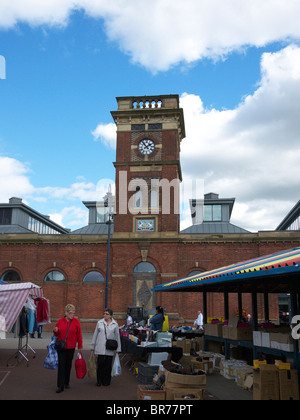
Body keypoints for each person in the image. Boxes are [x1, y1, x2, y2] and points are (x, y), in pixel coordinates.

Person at [53, 304, 83, 393]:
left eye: (73, 313)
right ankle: (60, 385)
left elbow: (79, 334)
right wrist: (55, 331)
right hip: (61, 347)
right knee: (61, 365)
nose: (72, 315)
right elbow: (56, 334)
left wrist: (80, 346)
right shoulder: (59, 321)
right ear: (65, 313)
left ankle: (66, 382)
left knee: (68, 365)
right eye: (70, 313)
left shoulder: (76, 321)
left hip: (71, 347)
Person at [90, 308, 121, 386]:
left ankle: (106, 381)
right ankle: (99, 381)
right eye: (104, 313)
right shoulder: (99, 323)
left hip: (110, 347)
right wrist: (92, 346)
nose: (105, 315)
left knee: (108, 365)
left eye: (106, 314)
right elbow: (95, 335)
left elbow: (117, 337)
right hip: (100, 346)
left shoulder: (115, 324)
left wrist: (118, 349)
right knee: (100, 365)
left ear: (110, 315)